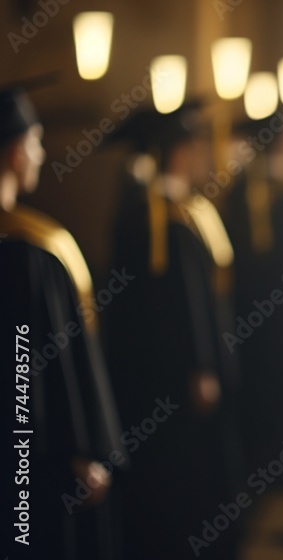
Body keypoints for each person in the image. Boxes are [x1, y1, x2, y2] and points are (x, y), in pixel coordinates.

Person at [103, 104, 245, 559]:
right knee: (178, 470)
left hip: (152, 372)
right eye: (195, 146)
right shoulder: (161, 222)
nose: (204, 154)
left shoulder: (166, 213)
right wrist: (201, 365)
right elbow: (179, 307)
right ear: (179, 153)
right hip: (171, 378)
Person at [0, 85, 125, 559]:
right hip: (33, 460)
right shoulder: (29, 254)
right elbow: (34, 369)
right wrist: (82, 448)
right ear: (14, 153)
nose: (40, 154)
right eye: (34, 142)